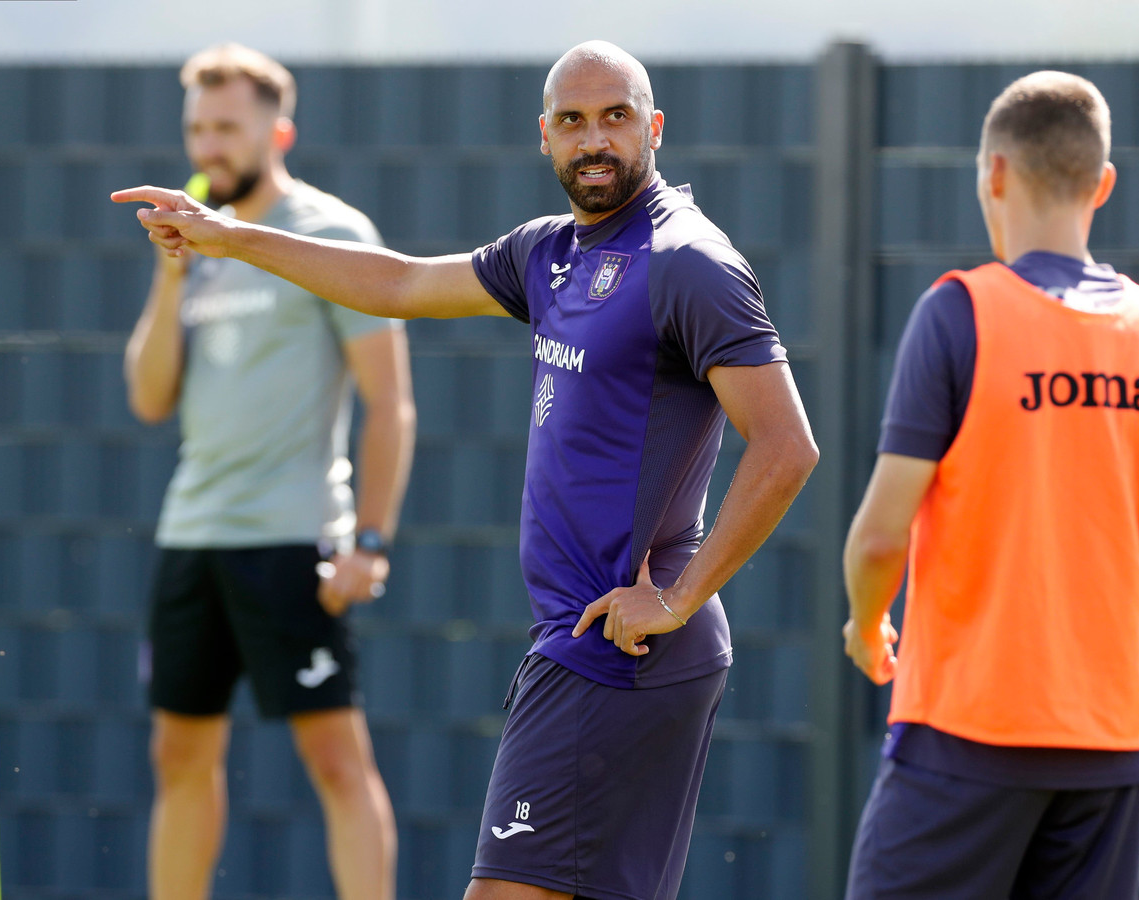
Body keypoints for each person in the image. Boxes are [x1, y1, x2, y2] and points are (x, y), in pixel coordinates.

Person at [115, 39, 817, 900]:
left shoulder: (686, 262)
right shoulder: (548, 251)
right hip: (597, 639)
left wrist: (677, 597)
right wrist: (231, 239)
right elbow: (400, 284)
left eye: (615, 117)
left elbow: (788, 447)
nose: (593, 139)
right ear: (544, 136)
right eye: (571, 121)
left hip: (616, 644)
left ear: (654, 127)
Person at [841, 71, 1139, 898]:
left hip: (961, 741)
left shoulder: (959, 314)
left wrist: (867, 626)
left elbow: (877, 536)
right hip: (1109, 757)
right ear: (1103, 184)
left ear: (993, 175)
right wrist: (1125, 737)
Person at [122, 44, 414, 900]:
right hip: (192, 535)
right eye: (196, 129)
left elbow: (390, 404)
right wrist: (170, 278)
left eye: (226, 128)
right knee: (177, 754)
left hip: (293, 539)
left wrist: (369, 540)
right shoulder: (188, 240)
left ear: (276, 131)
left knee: (334, 758)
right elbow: (148, 398)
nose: (208, 148)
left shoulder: (330, 234)